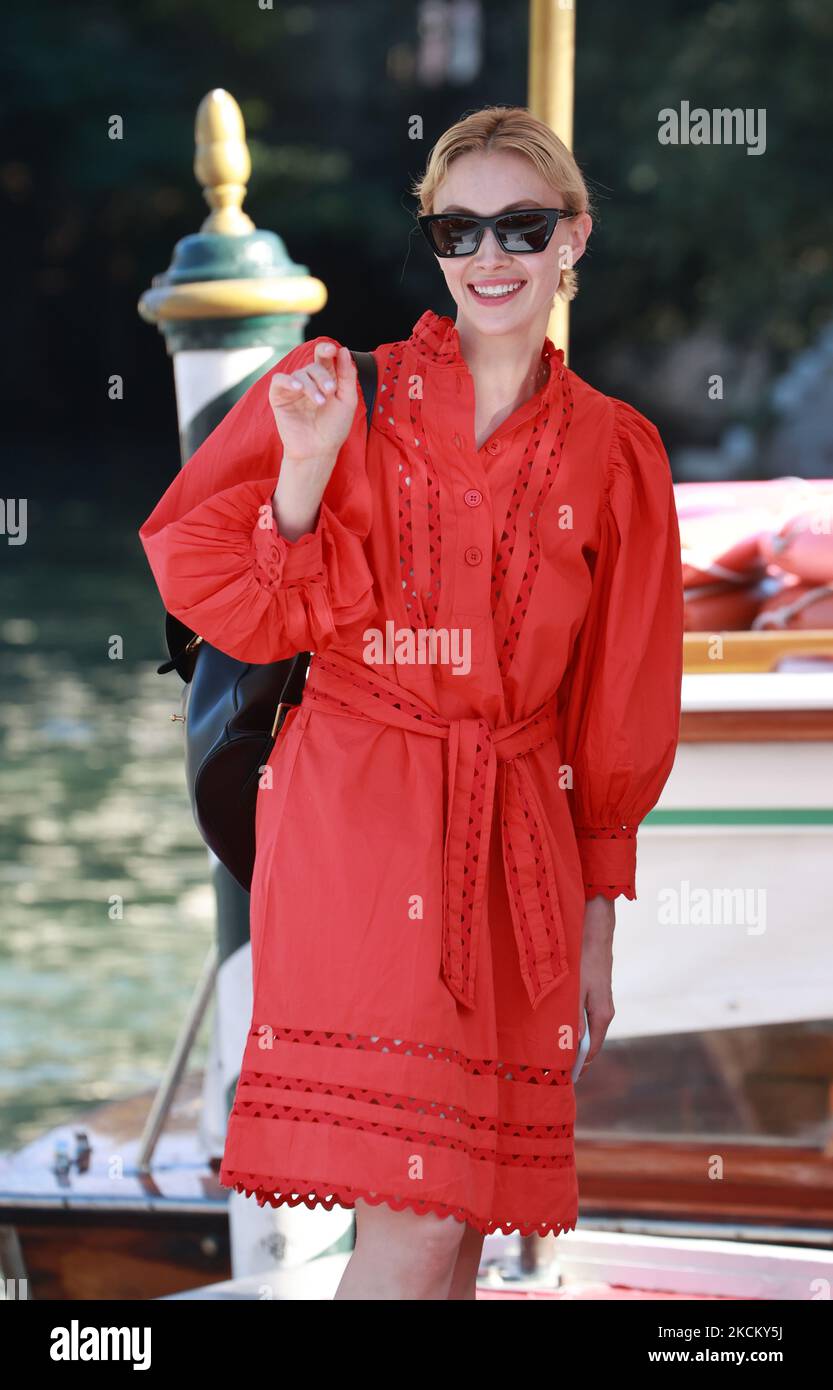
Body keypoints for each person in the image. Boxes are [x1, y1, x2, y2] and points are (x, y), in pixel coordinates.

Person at [138, 104, 684, 1300]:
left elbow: (620, 699)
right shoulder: (334, 390)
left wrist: (597, 913)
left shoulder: (616, 450)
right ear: (433, 244)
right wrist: (301, 467)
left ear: (572, 238)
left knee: (466, 1224)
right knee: (420, 1222)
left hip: (516, 847)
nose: (489, 257)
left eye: (520, 227)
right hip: (357, 820)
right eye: (458, 229)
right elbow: (217, 584)